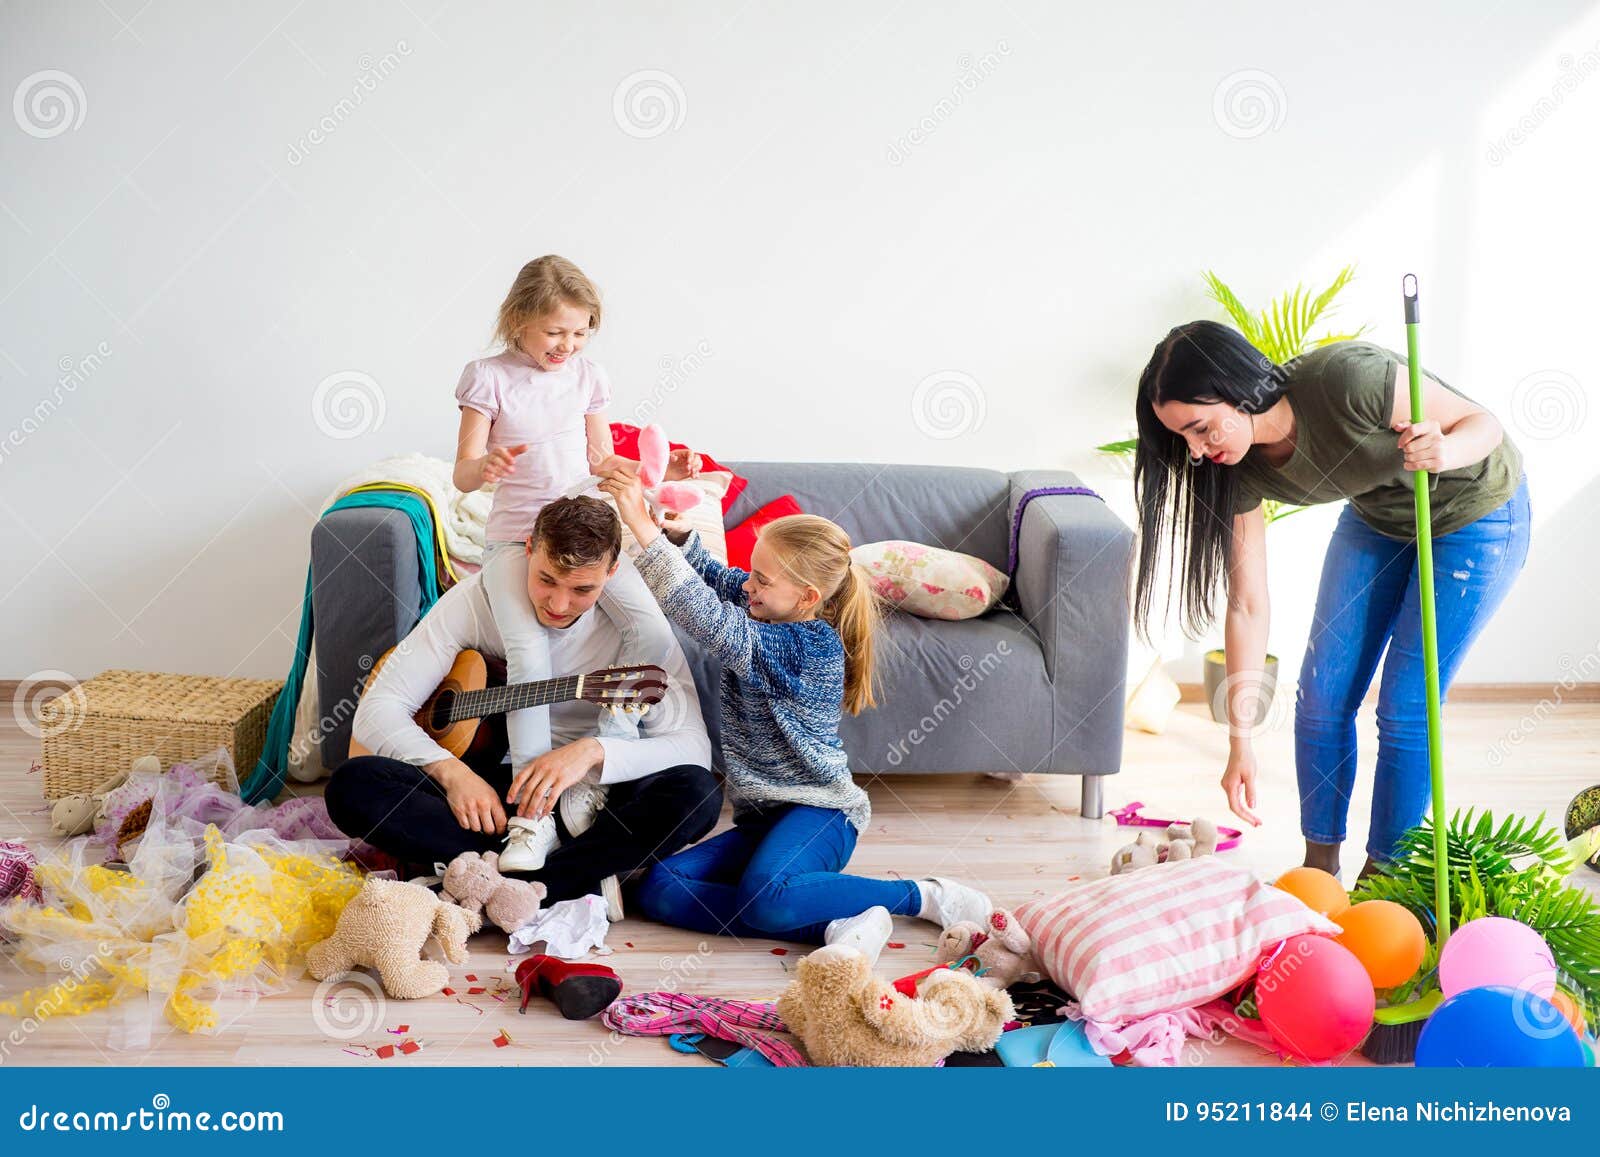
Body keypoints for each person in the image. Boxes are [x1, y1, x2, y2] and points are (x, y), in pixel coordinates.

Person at [1129, 321, 1529, 877]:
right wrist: (1239, 744)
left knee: (1406, 706)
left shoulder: (1345, 379)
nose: (1197, 450)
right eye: (1184, 440)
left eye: (1199, 428)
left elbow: (1482, 424)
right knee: (1320, 696)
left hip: (1475, 511)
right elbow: (1248, 603)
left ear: (1235, 385)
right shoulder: (1233, 472)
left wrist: (1444, 448)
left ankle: (1387, 877)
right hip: (1380, 519)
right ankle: (1320, 869)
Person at [598, 463, 991, 963]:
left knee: (764, 896)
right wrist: (677, 539)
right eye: (754, 574)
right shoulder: (771, 606)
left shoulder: (806, 645)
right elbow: (722, 582)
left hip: (821, 812)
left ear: (806, 597)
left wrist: (642, 528)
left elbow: (709, 618)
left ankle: (920, 895)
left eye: (762, 579)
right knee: (659, 889)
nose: (749, 587)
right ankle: (835, 922)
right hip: (766, 816)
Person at [325, 497, 721, 920]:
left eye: (582, 589)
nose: (558, 603)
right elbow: (377, 710)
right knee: (352, 786)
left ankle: (513, 881)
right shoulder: (475, 601)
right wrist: (452, 772)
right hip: (508, 796)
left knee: (698, 794)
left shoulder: (639, 626)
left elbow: (694, 747)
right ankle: (575, 872)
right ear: (530, 548)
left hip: (603, 798)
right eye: (546, 579)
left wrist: (594, 752)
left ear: (612, 571)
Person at [453, 255, 702, 867]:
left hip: (588, 526)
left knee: (649, 625)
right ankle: (530, 819)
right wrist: (485, 468)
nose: (566, 345)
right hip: (519, 538)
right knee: (529, 654)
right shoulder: (488, 378)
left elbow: (597, 460)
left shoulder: (588, 376)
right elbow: (462, 474)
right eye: (554, 332)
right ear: (518, 322)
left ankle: (604, 753)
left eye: (580, 331)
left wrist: (654, 473)